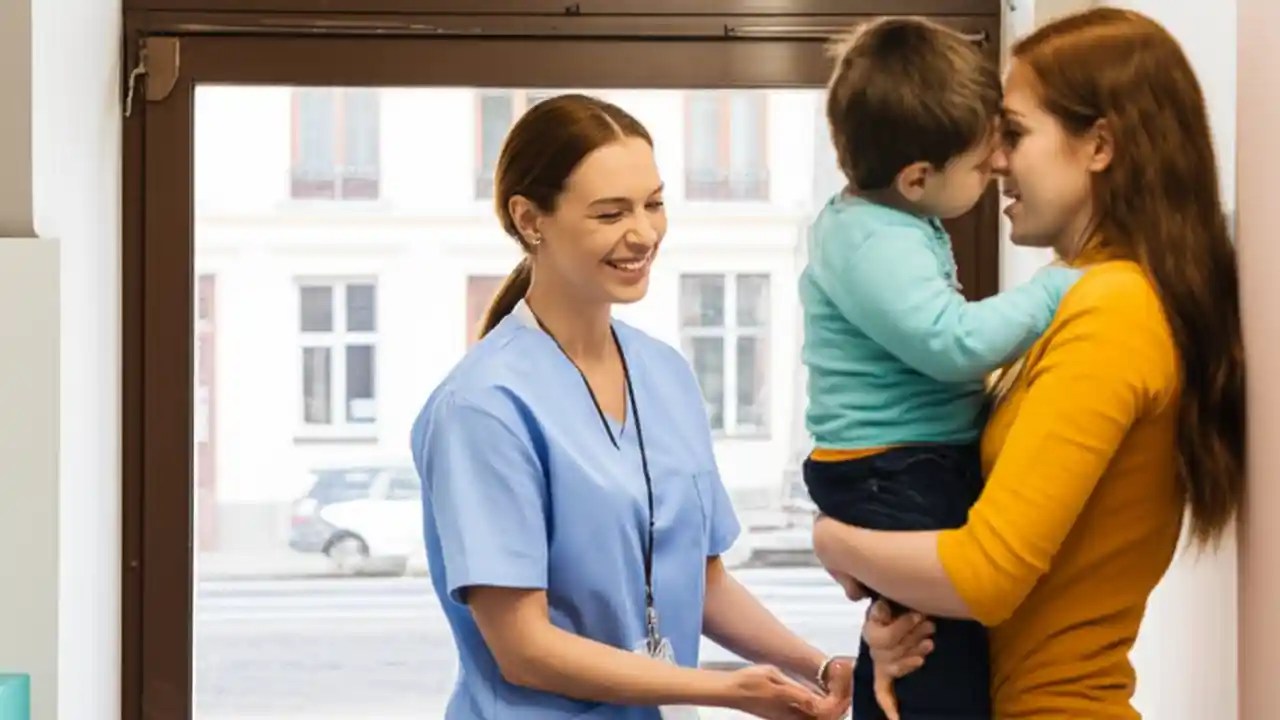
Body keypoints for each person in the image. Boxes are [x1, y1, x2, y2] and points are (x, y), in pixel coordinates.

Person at [812, 8, 1246, 720]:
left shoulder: (1113, 308)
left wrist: (833, 538)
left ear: (1099, 145)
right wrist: (899, 626)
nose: (995, 159)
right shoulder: (1081, 300)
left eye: (1012, 132)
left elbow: (984, 575)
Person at [410, 93, 854, 720]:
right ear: (530, 218)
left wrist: (817, 667)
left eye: (654, 203)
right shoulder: (482, 407)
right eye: (610, 212)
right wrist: (723, 690)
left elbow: (701, 585)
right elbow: (523, 649)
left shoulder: (664, 375)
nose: (643, 233)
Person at [799, 17, 1081, 720]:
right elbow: (951, 341)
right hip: (891, 468)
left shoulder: (884, 222)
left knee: (909, 641)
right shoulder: (872, 242)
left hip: (899, 464)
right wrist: (1056, 286)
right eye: (982, 164)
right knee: (937, 655)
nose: (998, 169)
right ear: (918, 177)